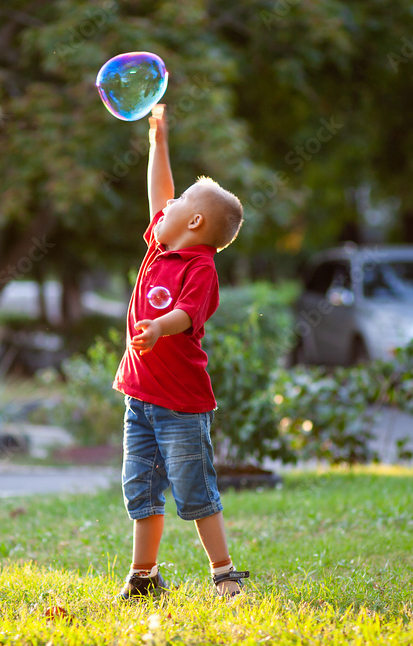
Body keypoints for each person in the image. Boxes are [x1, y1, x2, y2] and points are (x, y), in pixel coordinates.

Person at [111, 103, 248, 601]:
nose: (165, 206)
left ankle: (224, 571)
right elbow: (160, 192)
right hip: (140, 400)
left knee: (195, 490)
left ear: (192, 221)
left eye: (181, 201)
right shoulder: (160, 247)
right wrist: (158, 141)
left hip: (181, 408)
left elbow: (188, 315)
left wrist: (157, 328)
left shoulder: (200, 268)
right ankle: (144, 575)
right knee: (141, 492)